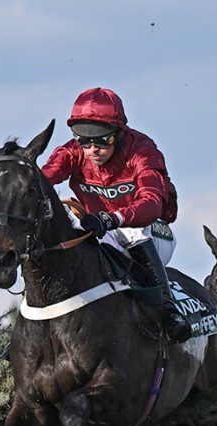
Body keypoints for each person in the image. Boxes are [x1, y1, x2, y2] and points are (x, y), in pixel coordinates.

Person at [41, 87, 190, 343]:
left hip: (151, 229)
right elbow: (40, 183)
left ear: (119, 134)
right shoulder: (71, 152)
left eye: (102, 140)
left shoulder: (142, 151)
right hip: (101, 227)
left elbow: (151, 204)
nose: (93, 149)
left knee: (129, 233)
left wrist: (113, 218)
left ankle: (169, 311)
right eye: (84, 140)